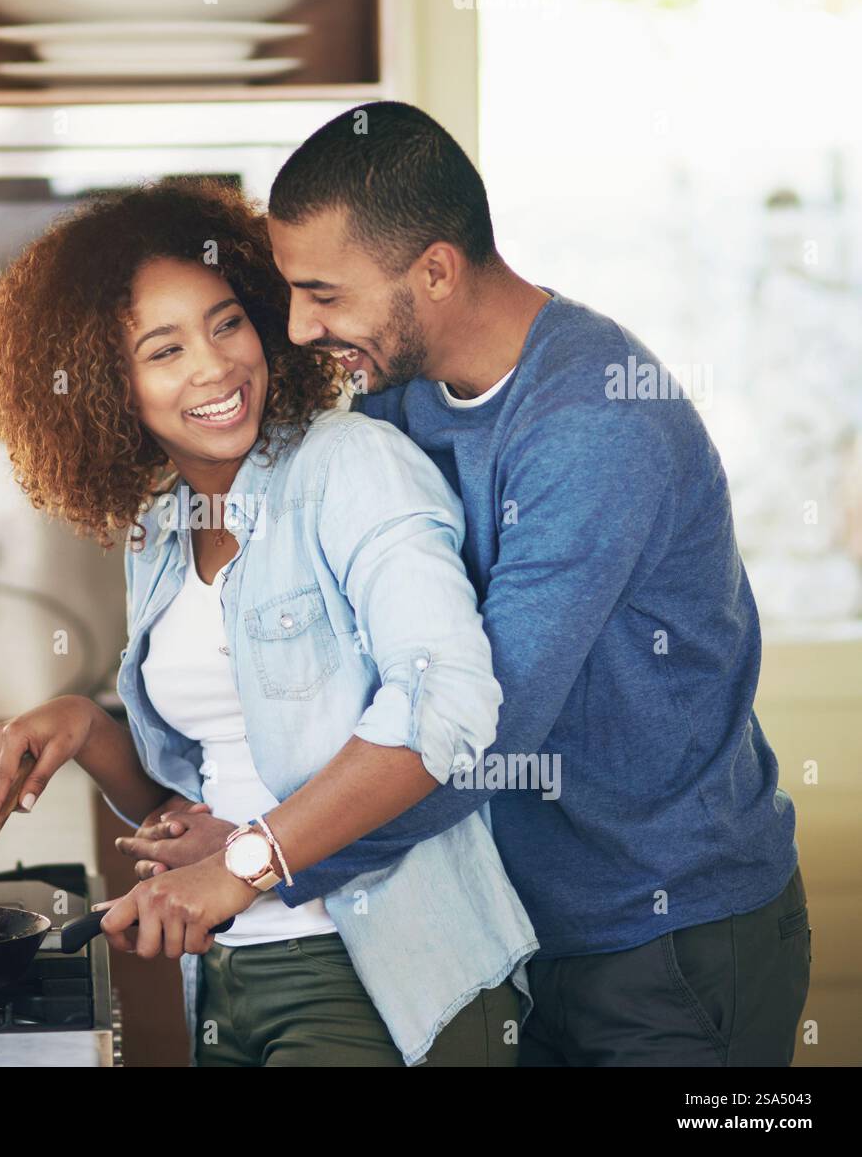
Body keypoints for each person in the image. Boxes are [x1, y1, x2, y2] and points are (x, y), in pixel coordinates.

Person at [130, 101, 810, 1067]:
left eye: (322, 292)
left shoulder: (594, 423)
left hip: (665, 938)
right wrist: (246, 814)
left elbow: (481, 722)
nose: (298, 326)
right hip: (513, 929)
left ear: (436, 272)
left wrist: (260, 856)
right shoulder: (400, 398)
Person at [0, 177, 536, 1067]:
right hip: (230, 977)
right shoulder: (159, 528)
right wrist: (85, 728)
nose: (214, 366)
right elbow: (187, 806)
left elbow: (448, 704)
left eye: (226, 322)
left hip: (382, 970)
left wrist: (239, 868)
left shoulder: (350, 466)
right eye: (164, 350)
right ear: (111, 388)